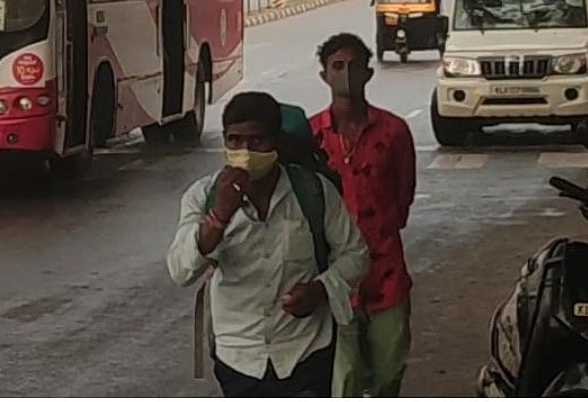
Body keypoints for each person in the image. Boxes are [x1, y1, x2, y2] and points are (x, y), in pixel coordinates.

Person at [167, 91, 369, 398]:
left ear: (276, 142)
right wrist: (219, 218)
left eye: (257, 140)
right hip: (239, 357)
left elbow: (355, 255)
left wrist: (319, 290)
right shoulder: (202, 196)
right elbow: (181, 272)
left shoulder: (313, 193)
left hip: (307, 351)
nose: (245, 151)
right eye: (234, 140)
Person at [310, 33, 417, 398]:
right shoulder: (311, 137)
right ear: (324, 75)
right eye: (337, 66)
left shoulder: (394, 132)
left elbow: (403, 197)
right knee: (345, 378)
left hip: (386, 272)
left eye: (355, 66)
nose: (346, 74)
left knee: (389, 371)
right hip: (335, 277)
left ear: (369, 74)